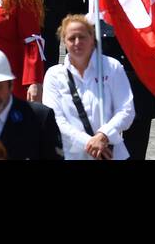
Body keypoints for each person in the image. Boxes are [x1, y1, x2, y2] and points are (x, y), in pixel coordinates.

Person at [42, 15, 136, 160]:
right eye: (71, 38)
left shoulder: (112, 67)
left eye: (82, 37)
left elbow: (126, 110)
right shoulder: (54, 75)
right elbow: (56, 119)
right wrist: (89, 142)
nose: (77, 42)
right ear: (64, 42)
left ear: (92, 38)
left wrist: (103, 135)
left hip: (110, 154)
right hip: (71, 155)